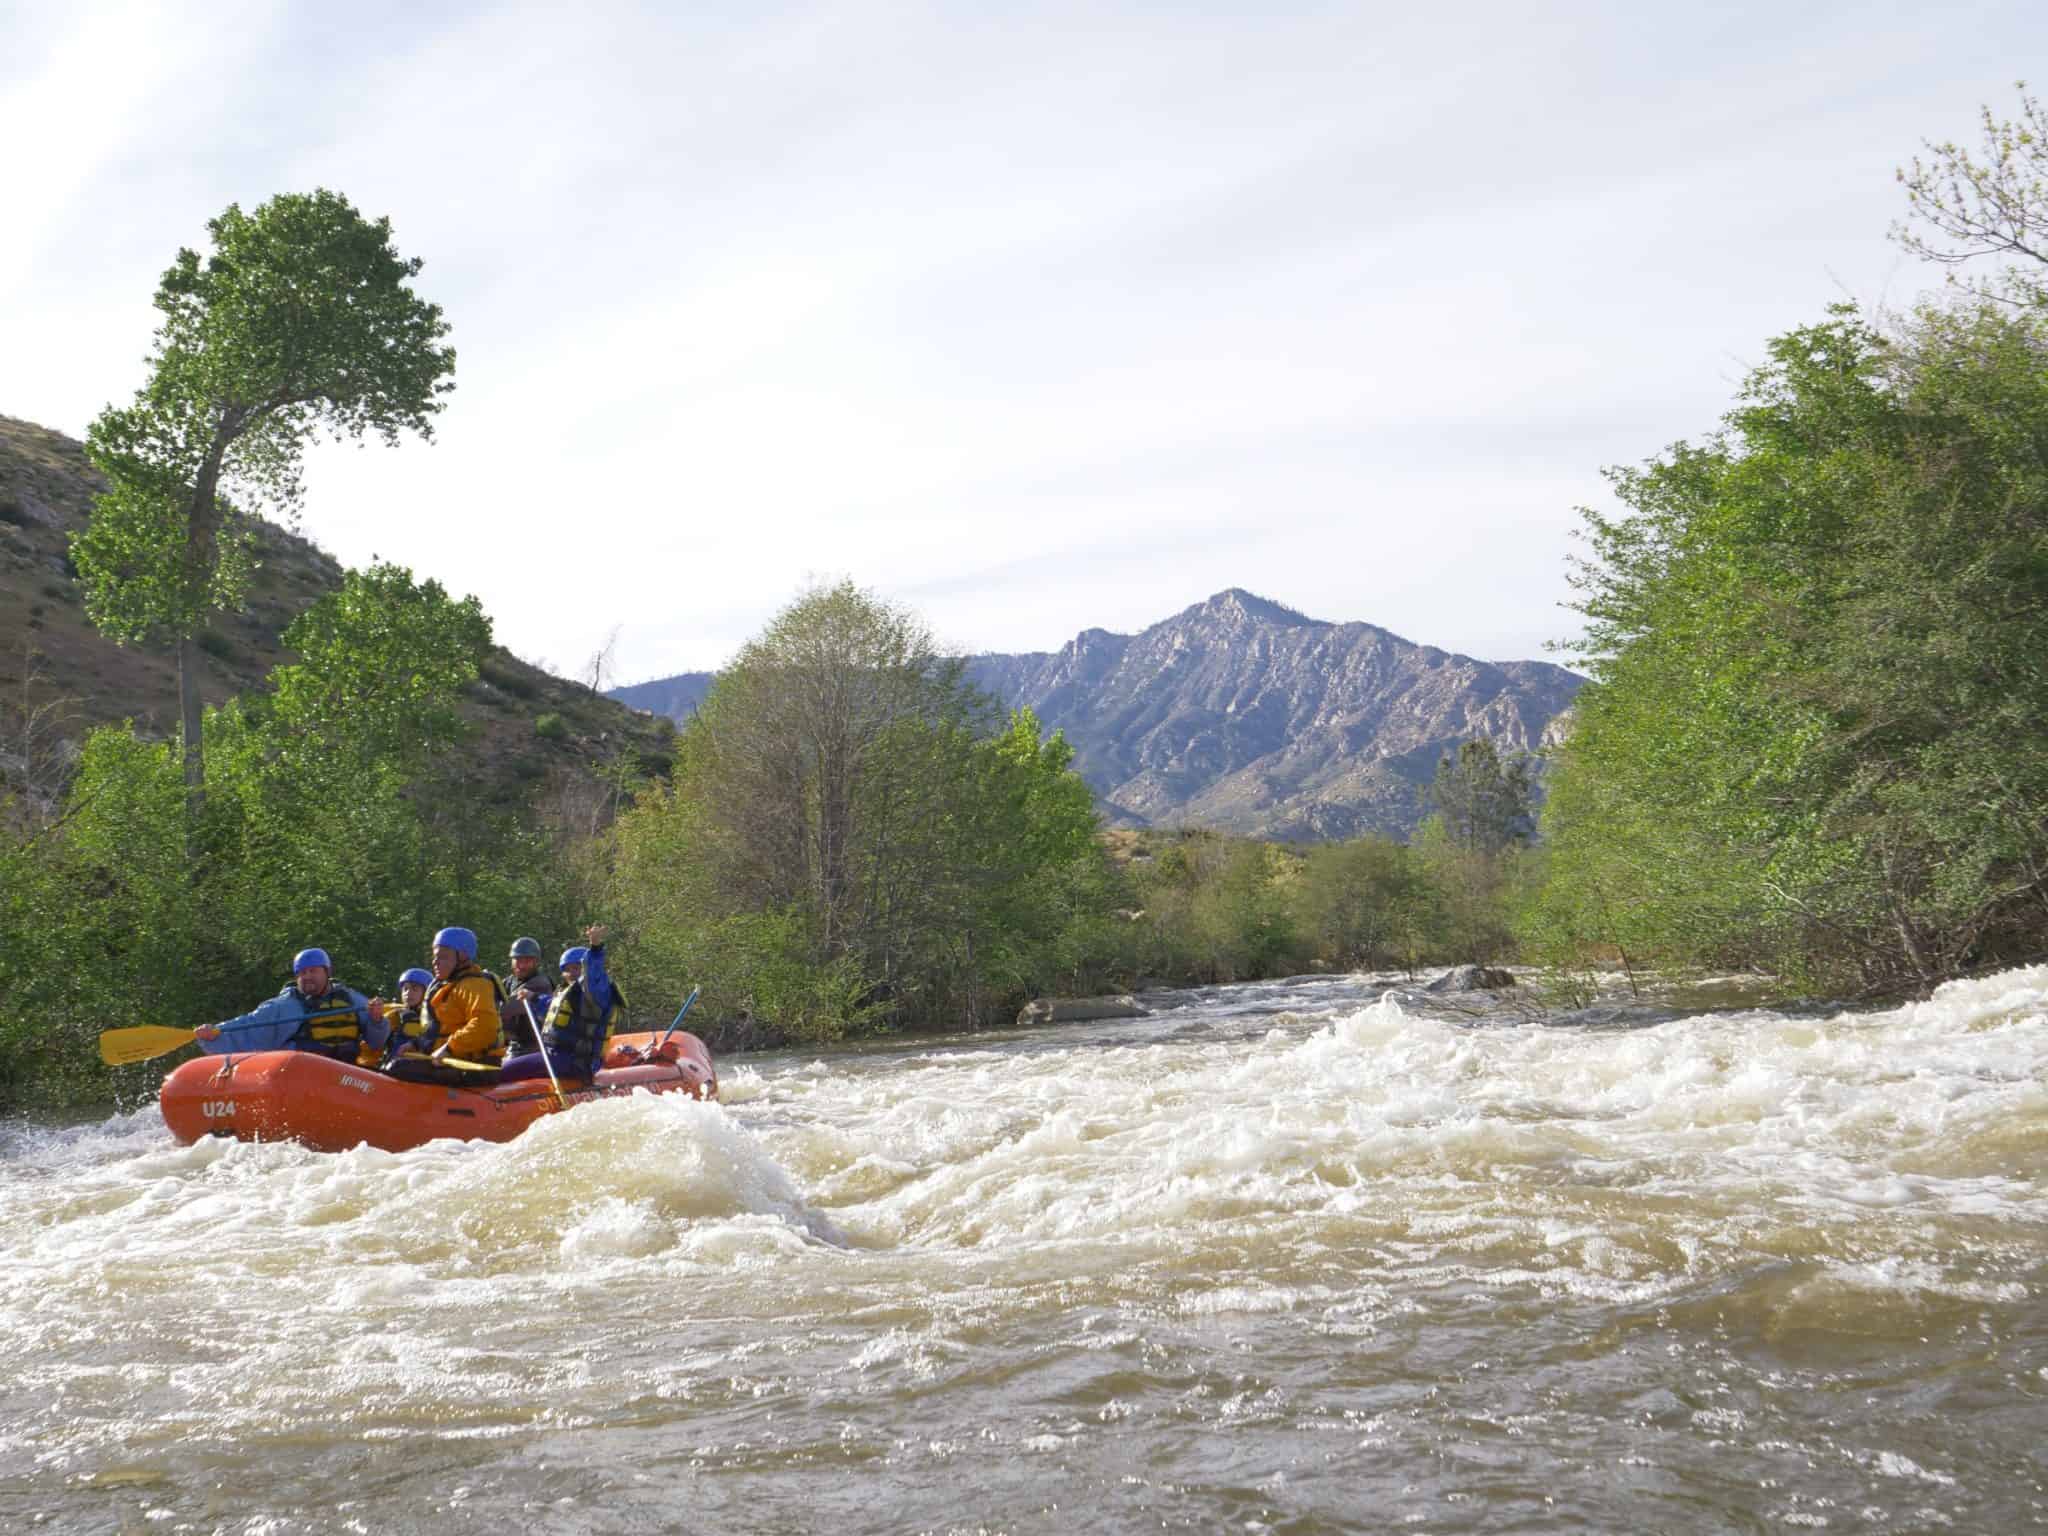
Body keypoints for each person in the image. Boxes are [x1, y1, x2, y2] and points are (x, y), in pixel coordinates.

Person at [192, 948, 385, 1062]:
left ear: (327, 972)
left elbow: (377, 1042)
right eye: (302, 973)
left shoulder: (353, 1000)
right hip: (305, 1071)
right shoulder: (286, 1005)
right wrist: (215, 1034)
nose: (307, 977)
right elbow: (250, 1025)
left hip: (348, 1073)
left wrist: (377, 1020)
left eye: (313, 971)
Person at [500, 925, 625, 1085]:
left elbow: (594, 972)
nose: (571, 973)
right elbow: (550, 1005)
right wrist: (533, 997)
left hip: (575, 1061)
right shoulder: (570, 994)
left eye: (577, 968)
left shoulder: (597, 992)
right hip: (557, 1057)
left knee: (503, 1072)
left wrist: (595, 947)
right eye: (567, 969)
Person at [367, 967, 434, 1067]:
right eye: (405, 989)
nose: (408, 993)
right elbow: (373, 1045)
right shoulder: (395, 1016)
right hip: (394, 1066)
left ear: (427, 993)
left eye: (415, 989)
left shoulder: (435, 1018)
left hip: (422, 1068)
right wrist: (367, 1066)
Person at [499, 936, 552, 1055]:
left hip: (533, 1048)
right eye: (518, 960)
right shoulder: (509, 981)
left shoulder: (540, 983)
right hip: (513, 1045)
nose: (522, 966)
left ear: (536, 962)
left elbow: (505, 1009)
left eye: (527, 961)